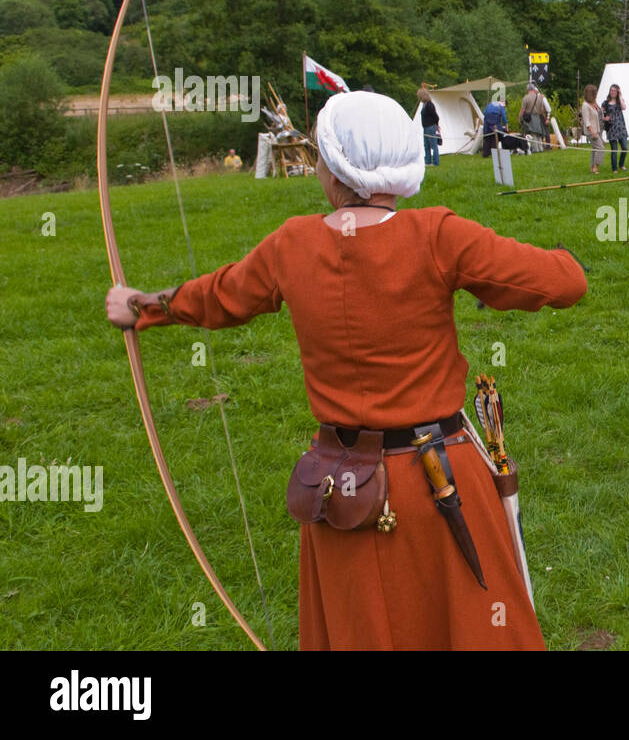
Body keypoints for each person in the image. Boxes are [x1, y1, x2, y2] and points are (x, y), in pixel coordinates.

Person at [104, 90, 587, 649]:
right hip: (436, 481)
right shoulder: (437, 234)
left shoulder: (294, 243)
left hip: (344, 487)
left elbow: (219, 296)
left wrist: (143, 305)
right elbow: (565, 281)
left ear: (332, 167)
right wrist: (536, 265)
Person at [602, 84, 629, 171]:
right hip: (611, 128)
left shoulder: (620, 101)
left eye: (614, 90)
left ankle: (621, 164)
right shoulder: (605, 103)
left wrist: (620, 96)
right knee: (614, 149)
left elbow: (624, 108)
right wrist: (604, 118)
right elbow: (600, 114)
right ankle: (614, 169)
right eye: (611, 90)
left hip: (621, 127)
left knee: (625, 148)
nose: (613, 92)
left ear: (617, 92)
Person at [518, 83, 551, 152]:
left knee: (533, 134)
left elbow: (522, 109)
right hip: (538, 116)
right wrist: (545, 118)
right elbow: (542, 109)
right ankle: (540, 148)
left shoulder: (526, 98)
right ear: (533, 89)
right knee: (538, 134)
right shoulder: (540, 97)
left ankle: (536, 149)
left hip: (530, 118)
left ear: (527, 89)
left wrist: (519, 117)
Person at [579, 84, 604, 174]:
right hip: (591, 131)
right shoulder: (585, 106)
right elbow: (586, 121)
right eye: (595, 92)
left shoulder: (592, 104)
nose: (597, 93)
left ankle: (592, 167)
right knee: (601, 147)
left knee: (595, 148)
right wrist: (592, 132)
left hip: (596, 130)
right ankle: (595, 167)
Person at [417, 87, 440, 166]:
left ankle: (436, 162)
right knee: (426, 145)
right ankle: (428, 162)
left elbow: (436, 116)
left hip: (430, 127)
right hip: (426, 128)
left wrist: (437, 125)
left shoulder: (430, 105)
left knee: (433, 145)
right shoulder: (424, 105)